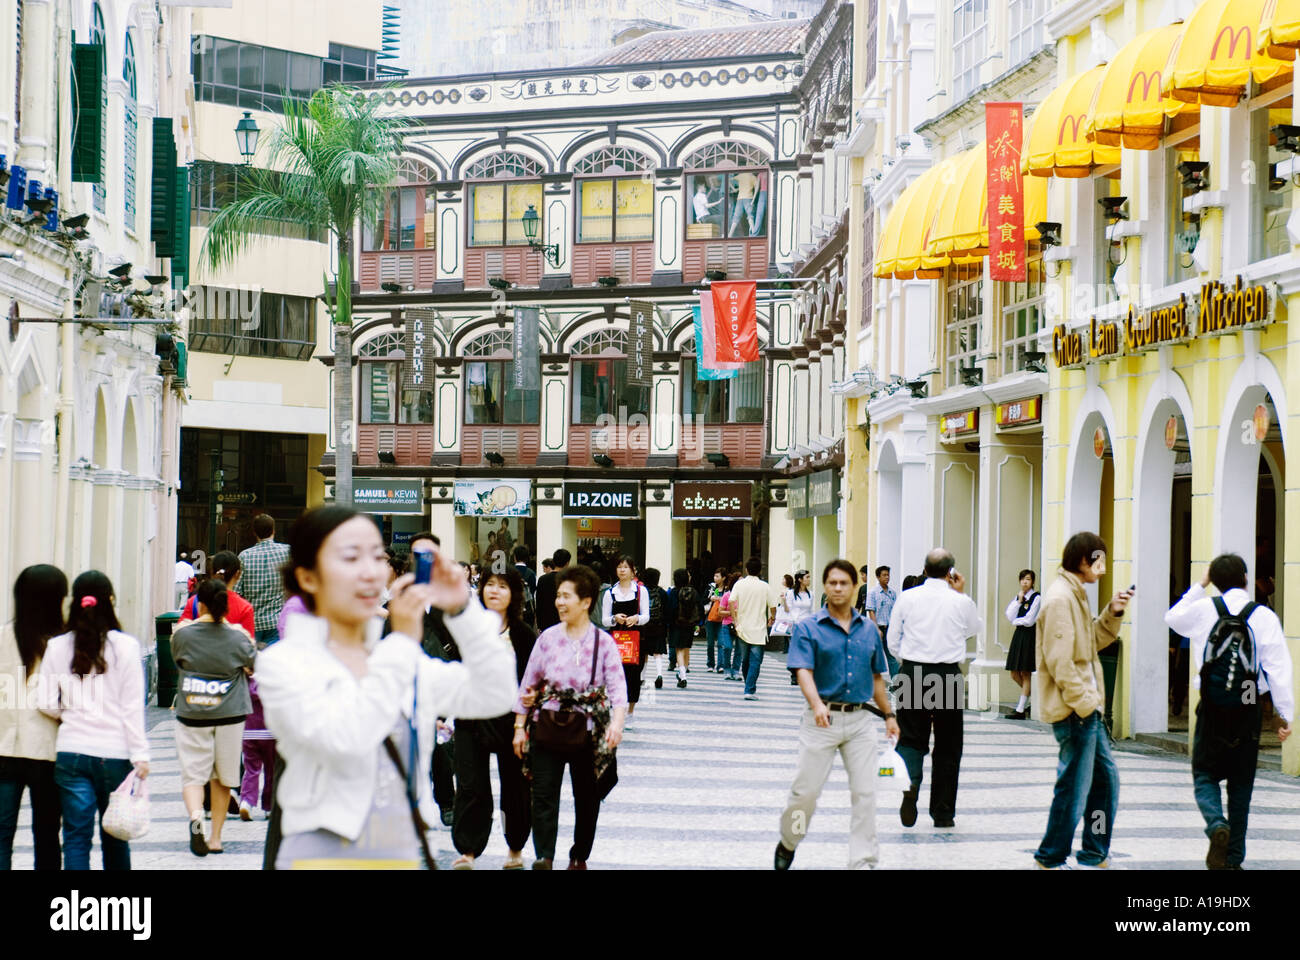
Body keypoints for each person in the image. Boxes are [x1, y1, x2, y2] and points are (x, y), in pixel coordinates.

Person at [256, 505, 516, 870]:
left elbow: (495, 692)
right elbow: (346, 737)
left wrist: (462, 609)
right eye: (350, 557)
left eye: (377, 556)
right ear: (309, 576)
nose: (369, 571)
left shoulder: (394, 655)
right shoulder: (284, 663)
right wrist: (403, 641)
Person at [1165, 554, 1294, 870]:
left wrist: (1200, 585)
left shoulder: (1203, 609)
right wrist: (1283, 714)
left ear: (1216, 580)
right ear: (1247, 579)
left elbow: (1172, 617)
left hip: (1211, 707)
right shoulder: (1263, 616)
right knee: (1240, 787)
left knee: (1205, 774)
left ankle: (1215, 824)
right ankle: (1233, 860)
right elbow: (1278, 668)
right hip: (1248, 709)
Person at [775, 560, 900, 870]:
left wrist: (889, 715)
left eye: (844, 583)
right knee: (806, 793)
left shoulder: (868, 629)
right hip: (822, 720)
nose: (838, 588)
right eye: (832, 583)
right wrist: (816, 703)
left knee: (865, 793)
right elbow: (803, 669)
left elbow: (876, 678)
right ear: (825, 586)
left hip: (859, 722)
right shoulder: (809, 627)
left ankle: (863, 861)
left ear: (854, 587)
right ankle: (790, 840)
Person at [513, 565, 627, 869]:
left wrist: (617, 724)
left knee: (587, 798)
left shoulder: (603, 642)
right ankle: (544, 856)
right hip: (547, 727)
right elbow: (528, 684)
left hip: (588, 731)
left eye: (566, 596)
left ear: (586, 601)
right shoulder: (547, 638)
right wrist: (519, 726)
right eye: (558, 596)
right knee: (543, 795)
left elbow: (617, 688)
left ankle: (579, 856)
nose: (559, 602)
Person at [37, 572, 149, 870]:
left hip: (71, 751)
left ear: (74, 603)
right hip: (115, 754)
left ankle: (76, 910)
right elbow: (131, 708)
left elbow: (45, 702)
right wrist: (141, 755)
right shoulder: (126, 646)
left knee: (75, 837)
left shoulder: (57, 646)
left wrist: (72, 714)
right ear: (110, 601)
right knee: (115, 836)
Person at [1032, 532, 1130, 870]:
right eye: (1098, 561)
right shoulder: (1061, 599)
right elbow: (1061, 661)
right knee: (1073, 789)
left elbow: (1090, 643)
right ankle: (1050, 858)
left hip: (1086, 709)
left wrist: (1112, 613)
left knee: (1104, 782)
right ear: (1082, 561)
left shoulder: (1075, 596)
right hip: (1077, 711)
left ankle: (1094, 851)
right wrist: (1085, 704)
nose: (1102, 569)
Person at [451, 566, 538, 870]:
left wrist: (525, 715)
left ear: (514, 593)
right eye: (490, 584)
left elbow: (534, 678)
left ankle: (515, 848)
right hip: (470, 718)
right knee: (471, 785)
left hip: (510, 721)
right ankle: (468, 850)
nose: (494, 590)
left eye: (503, 586)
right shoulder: (468, 631)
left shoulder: (524, 635)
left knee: (515, 786)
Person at [888, 548, 980, 830]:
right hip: (947, 674)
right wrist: (960, 594)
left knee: (910, 738)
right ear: (951, 572)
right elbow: (972, 629)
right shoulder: (960, 601)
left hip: (913, 671)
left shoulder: (907, 597)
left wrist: (907, 661)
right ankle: (942, 812)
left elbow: (893, 639)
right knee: (948, 745)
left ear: (924, 570)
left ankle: (911, 784)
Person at [171, 577, 256, 856]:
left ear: (201, 603)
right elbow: (252, 666)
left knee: (193, 775)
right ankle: (217, 838)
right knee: (223, 777)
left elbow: (178, 660)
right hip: (230, 713)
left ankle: (197, 817)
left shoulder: (182, 634)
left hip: (193, 710)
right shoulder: (238, 636)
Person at [0, 565, 66, 871]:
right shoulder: (64, 643)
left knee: (1, 836)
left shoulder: (3, 637)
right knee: (47, 837)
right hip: (48, 750)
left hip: (5, 749)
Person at [602, 556, 650, 717]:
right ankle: (617, 709)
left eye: (625, 567)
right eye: (619, 567)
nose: (622, 570)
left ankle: (630, 712)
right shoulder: (610, 593)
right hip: (615, 640)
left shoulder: (641, 591)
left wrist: (636, 618)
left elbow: (646, 616)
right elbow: (604, 619)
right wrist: (614, 619)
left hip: (636, 640)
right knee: (615, 674)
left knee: (633, 676)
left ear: (633, 571)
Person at [237, 514, 291, 647]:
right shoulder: (287, 552)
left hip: (252, 622)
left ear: (254, 532)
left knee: (253, 663)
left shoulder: (245, 556)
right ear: (273, 530)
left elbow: (236, 591)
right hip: (277, 621)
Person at [180, 551, 255, 640]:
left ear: (212, 572)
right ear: (237, 574)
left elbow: (180, 635)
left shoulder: (195, 601)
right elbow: (248, 645)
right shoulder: (244, 608)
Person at [730, 558, 774, 701]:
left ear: (746, 570)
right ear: (760, 570)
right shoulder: (765, 586)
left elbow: (731, 601)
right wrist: (772, 618)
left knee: (745, 659)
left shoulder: (739, 584)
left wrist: (735, 620)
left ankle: (748, 684)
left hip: (742, 628)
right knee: (755, 661)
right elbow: (773, 606)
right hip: (759, 630)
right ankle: (749, 689)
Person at [1003, 569, 1040, 720]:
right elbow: (1009, 615)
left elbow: (1030, 620)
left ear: (1033, 582)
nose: (1025, 582)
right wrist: (1018, 601)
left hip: (1030, 635)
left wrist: (1016, 621)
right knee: (1014, 673)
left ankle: (1020, 709)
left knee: (1025, 672)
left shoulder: (1037, 598)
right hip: (1019, 635)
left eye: (1028, 579)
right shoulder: (1020, 597)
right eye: (1023, 579)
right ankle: (1034, 698)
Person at [864, 566, 898, 675]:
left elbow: (895, 611)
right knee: (874, 656)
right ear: (878, 577)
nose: (887, 577)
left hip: (889, 628)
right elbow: (871, 611)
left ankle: (896, 683)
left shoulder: (892, 593)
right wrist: (876, 628)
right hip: (877, 628)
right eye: (884, 575)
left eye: (888, 575)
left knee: (892, 656)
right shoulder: (873, 593)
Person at [668, 568, 699, 688]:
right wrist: (697, 623)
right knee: (686, 648)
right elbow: (699, 608)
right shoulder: (694, 592)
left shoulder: (674, 592)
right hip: (690, 625)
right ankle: (683, 673)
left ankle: (683, 676)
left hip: (677, 624)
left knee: (679, 651)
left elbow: (670, 609)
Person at [641, 568, 668, 690]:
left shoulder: (641, 591)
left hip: (644, 626)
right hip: (659, 626)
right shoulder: (662, 592)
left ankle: (642, 677)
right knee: (658, 653)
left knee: (644, 652)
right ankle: (659, 674)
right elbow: (668, 609)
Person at [535, 549, 569, 632]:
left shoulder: (542, 579)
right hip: (564, 622)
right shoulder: (569, 580)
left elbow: (539, 602)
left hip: (546, 622)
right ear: (567, 563)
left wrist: (539, 624)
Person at [717, 572, 741, 680]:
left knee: (739, 650)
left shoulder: (744, 597)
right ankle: (726, 669)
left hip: (740, 625)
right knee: (727, 647)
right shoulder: (727, 595)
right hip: (727, 625)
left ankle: (735, 671)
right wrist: (732, 612)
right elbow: (720, 612)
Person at [703, 568, 726, 672]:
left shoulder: (727, 589)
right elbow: (702, 599)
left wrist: (721, 600)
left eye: (718, 576)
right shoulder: (711, 587)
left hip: (722, 618)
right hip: (711, 617)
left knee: (721, 643)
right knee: (710, 643)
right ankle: (710, 664)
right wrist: (710, 598)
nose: (715, 578)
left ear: (723, 578)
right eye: (714, 576)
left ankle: (720, 665)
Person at [513, 545, 537, 628]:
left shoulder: (509, 571)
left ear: (515, 557)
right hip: (527, 609)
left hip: (512, 608)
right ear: (526, 558)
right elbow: (533, 591)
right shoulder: (531, 573)